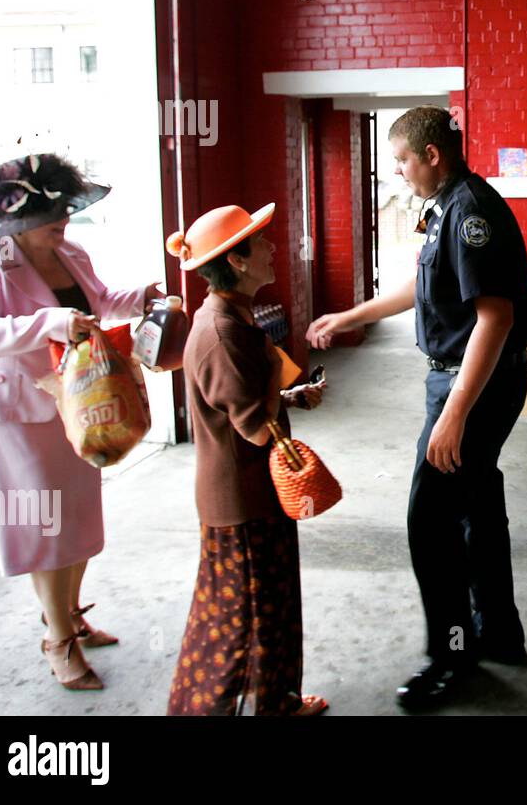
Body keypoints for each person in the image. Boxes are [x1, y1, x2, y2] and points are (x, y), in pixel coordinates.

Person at [306, 105, 527, 709]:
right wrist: (351, 316)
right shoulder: (449, 205)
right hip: (469, 379)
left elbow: (495, 317)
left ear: (431, 155)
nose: (399, 171)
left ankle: (451, 656)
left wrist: (455, 413)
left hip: (473, 384)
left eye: (403, 160)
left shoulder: (470, 212)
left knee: (429, 522)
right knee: (476, 502)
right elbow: (428, 285)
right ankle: (499, 631)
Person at [0, 153, 161, 691]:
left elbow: (100, 303)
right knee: (43, 526)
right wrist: (47, 323)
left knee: (78, 520)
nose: (65, 221)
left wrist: (142, 297)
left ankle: (69, 615)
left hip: (79, 406)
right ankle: (58, 639)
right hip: (19, 413)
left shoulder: (71, 251)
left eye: (67, 209)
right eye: (52, 214)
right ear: (16, 218)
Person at [164, 203, 329, 716]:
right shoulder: (223, 334)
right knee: (241, 622)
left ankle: (276, 701)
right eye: (261, 242)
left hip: (255, 495)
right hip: (242, 502)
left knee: (269, 611)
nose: (273, 247)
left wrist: (289, 395)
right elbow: (256, 428)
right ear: (236, 261)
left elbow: (244, 405)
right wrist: (276, 383)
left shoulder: (232, 317)